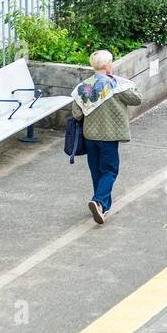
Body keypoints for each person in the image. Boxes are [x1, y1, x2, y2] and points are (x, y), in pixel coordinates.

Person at [71, 49, 141, 224]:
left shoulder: (84, 87)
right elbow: (137, 99)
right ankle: (98, 201)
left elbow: (76, 114)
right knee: (109, 170)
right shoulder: (117, 85)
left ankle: (102, 206)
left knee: (96, 170)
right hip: (109, 136)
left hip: (90, 136)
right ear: (107, 65)